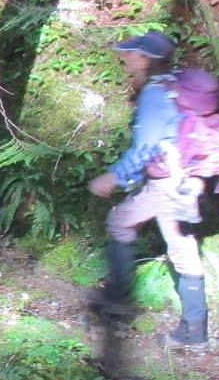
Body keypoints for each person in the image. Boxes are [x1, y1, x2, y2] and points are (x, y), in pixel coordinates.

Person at [87, 29, 209, 347]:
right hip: (188, 178)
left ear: (144, 59)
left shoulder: (156, 93)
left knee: (169, 245)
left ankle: (122, 303)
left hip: (168, 183)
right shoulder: (176, 82)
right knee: (171, 242)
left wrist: (113, 178)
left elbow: (146, 149)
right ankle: (191, 328)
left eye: (130, 54)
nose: (125, 59)